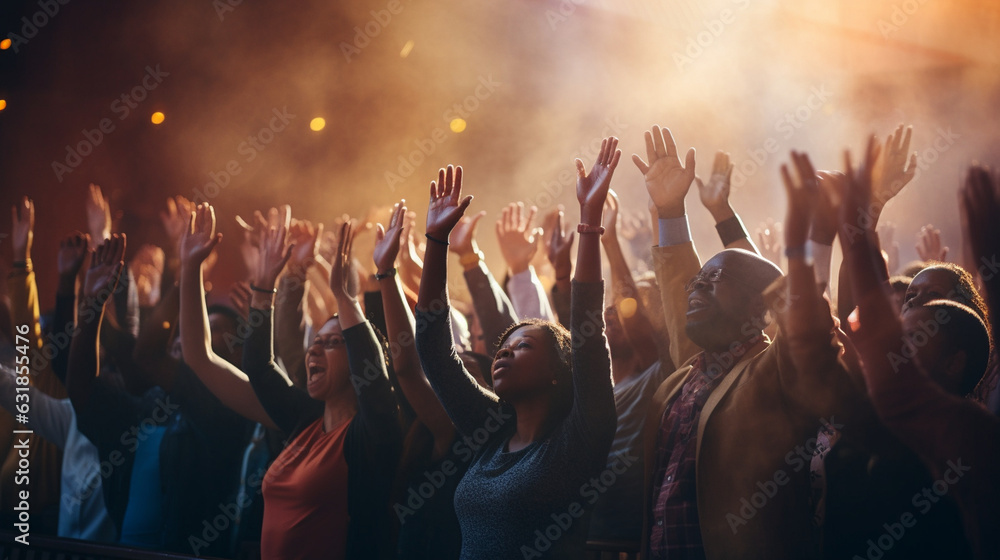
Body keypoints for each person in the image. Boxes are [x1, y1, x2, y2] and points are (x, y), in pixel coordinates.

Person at [636, 126, 860, 559]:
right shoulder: (683, 378)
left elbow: (808, 323)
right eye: (697, 282)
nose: (697, 288)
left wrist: (816, 233)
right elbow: (679, 281)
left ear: (761, 310)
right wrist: (669, 213)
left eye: (715, 280)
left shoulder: (774, 373)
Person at [414, 140, 619, 559]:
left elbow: (587, 332)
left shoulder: (579, 437)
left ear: (558, 370)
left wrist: (590, 221)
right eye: (503, 345)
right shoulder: (491, 430)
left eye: (521, 346)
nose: (503, 353)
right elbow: (435, 352)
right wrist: (436, 241)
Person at [178, 203, 401, 559]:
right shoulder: (304, 420)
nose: (314, 352)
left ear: (359, 359)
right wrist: (202, 270)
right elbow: (210, 358)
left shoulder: (373, 432)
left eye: (332, 343)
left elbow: (373, 376)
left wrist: (344, 296)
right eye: (315, 342)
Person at [834, 151, 999, 559]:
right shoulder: (868, 393)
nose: (915, 307)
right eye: (911, 297)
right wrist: (863, 220)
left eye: (933, 299)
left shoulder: (968, 424)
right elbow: (857, 318)